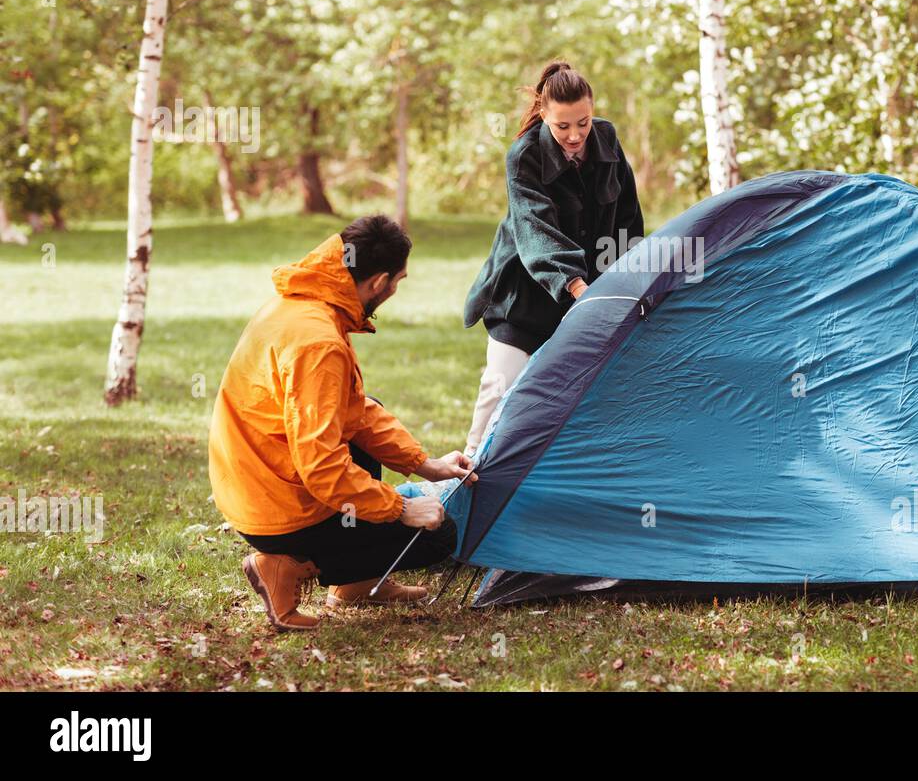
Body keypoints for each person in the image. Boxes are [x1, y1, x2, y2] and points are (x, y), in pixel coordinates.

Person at [208, 215, 476, 631]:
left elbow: (357, 411)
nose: (394, 291)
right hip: (277, 510)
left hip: (257, 483)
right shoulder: (319, 343)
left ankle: (355, 584)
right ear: (378, 282)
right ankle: (284, 565)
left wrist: (425, 464)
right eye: (397, 282)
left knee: (370, 414)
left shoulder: (303, 305)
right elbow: (321, 467)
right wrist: (401, 508)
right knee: (438, 536)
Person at [462, 61, 645, 456]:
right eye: (563, 126)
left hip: (591, 295)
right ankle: (465, 476)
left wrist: (629, 282)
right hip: (524, 296)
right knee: (500, 387)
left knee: (584, 399)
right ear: (544, 115)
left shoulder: (607, 139)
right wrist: (580, 289)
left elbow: (628, 219)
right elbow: (536, 231)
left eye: (584, 121)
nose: (576, 135)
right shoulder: (523, 155)